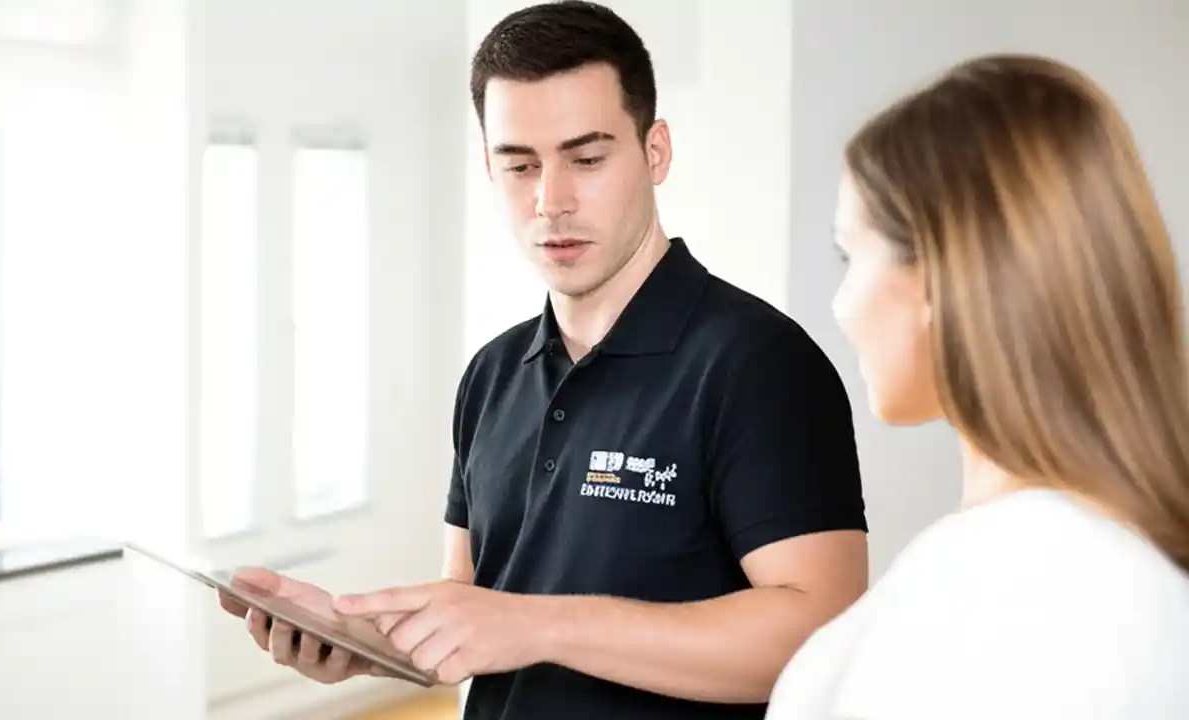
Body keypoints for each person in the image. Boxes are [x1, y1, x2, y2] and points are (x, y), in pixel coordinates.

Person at [220, 2, 869, 717]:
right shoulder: (492, 375)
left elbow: (823, 634)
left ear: (656, 152)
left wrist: (543, 624)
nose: (550, 200)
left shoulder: (758, 363)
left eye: (586, 159)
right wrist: (356, 637)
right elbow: (476, 607)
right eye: (520, 165)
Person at [766, 54, 1189, 720]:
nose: (840, 305)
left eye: (850, 256)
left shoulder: (1011, 586)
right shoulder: (1120, 571)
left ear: (937, 274)